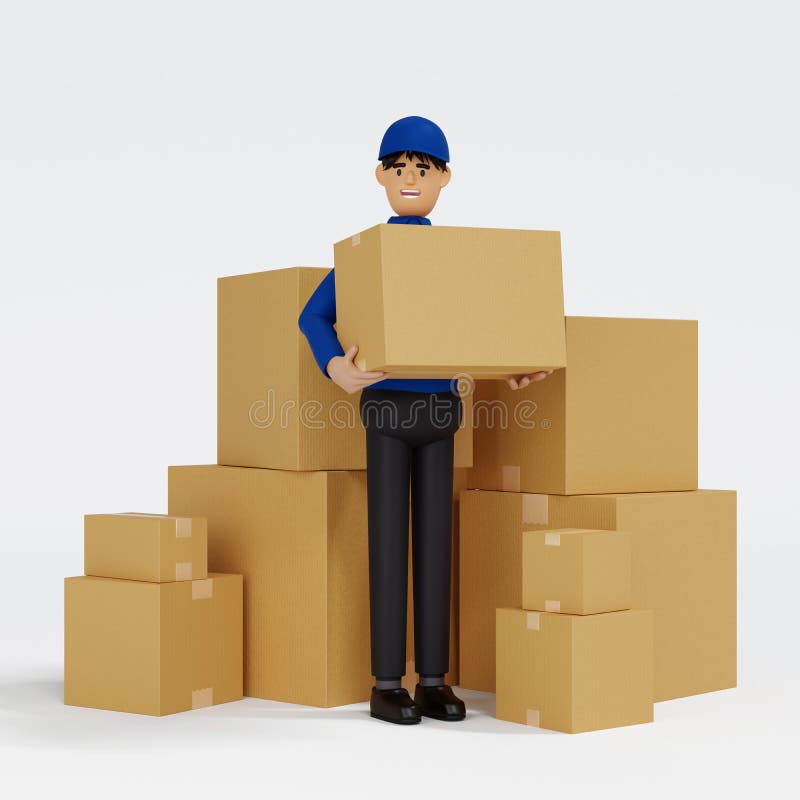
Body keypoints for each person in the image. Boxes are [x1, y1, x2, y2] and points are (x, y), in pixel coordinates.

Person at [299, 116, 552, 725]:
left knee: (436, 547)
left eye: (425, 170)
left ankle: (433, 680)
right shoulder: (368, 255)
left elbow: (481, 327)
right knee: (389, 545)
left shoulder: (454, 258)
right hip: (387, 410)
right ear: (381, 175)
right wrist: (335, 367)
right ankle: (388, 682)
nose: (412, 180)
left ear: (445, 178)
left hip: (441, 411)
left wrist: (508, 368)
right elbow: (312, 316)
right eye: (400, 169)